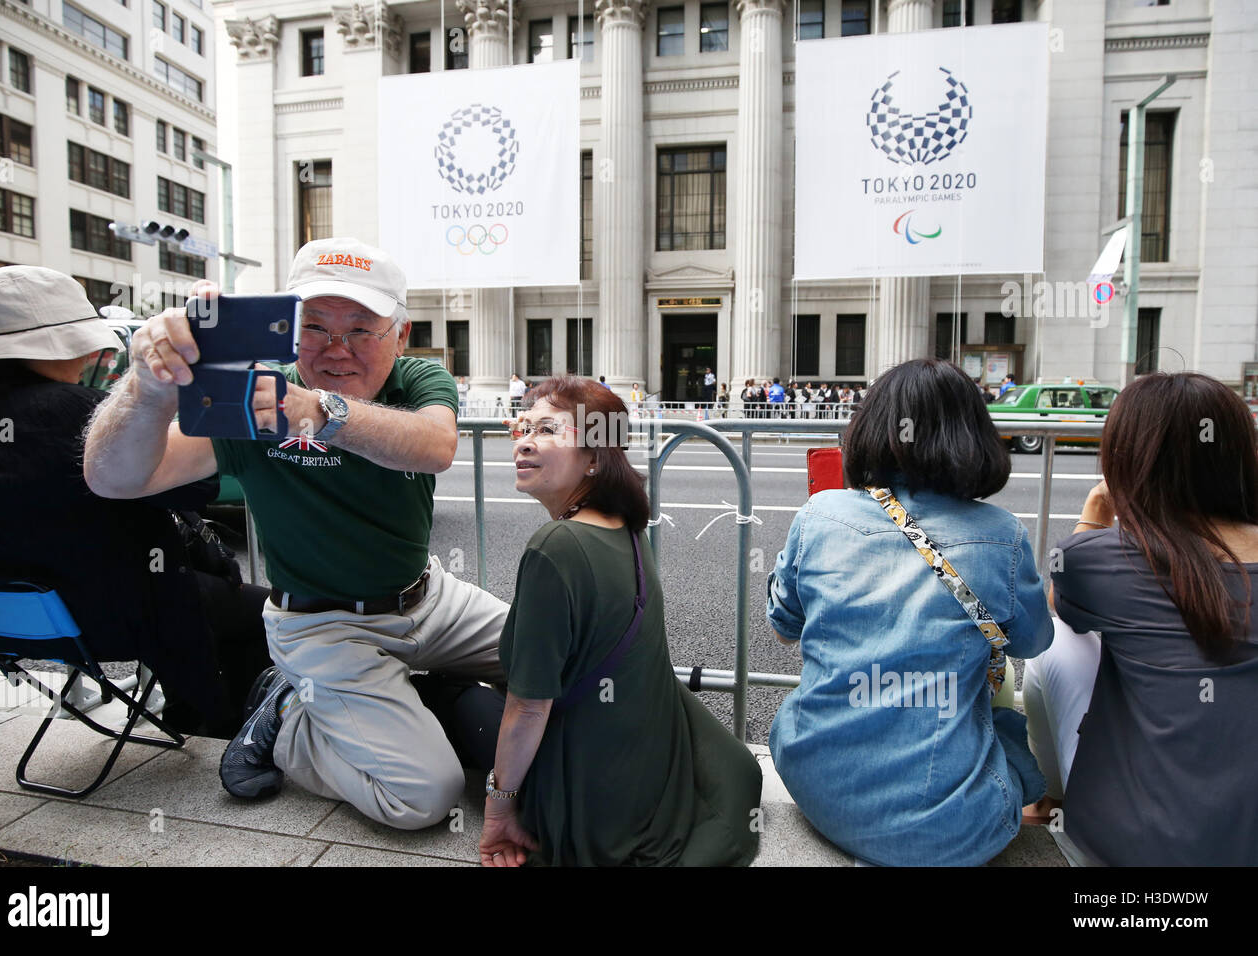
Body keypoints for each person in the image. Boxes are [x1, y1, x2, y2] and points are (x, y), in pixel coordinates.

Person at [84, 238, 509, 828]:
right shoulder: (255, 395)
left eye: (362, 329)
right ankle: (287, 719)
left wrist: (318, 412)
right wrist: (147, 387)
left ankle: (370, 705)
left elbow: (435, 446)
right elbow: (115, 479)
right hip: (320, 627)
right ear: (289, 330)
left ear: (401, 336)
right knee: (423, 798)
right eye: (316, 327)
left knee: (565, 656)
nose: (338, 350)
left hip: (430, 598)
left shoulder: (417, 379)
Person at [0, 266, 272, 737]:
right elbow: (191, 489)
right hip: (114, 614)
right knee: (266, 614)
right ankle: (224, 724)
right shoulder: (71, 409)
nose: (90, 354)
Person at [767, 359, 1053, 866]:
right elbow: (1032, 643)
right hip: (949, 830)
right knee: (1001, 690)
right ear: (974, 437)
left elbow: (784, 629)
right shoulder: (1002, 534)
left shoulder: (819, 516)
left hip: (814, 780)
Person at [479, 376, 761, 866]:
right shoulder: (626, 527)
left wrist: (499, 811)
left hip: (583, 793)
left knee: (457, 702)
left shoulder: (555, 548)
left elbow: (527, 709)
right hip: (641, 767)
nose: (524, 441)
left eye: (547, 430)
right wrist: (543, 423)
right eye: (522, 428)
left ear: (593, 457)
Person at [1023, 372, 1258, 866]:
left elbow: (1057, 602)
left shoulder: (1102, 560)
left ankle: (1053, 800)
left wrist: (1096, 506)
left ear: (1126, 457)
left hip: (1134, 844)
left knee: (1058, 638)